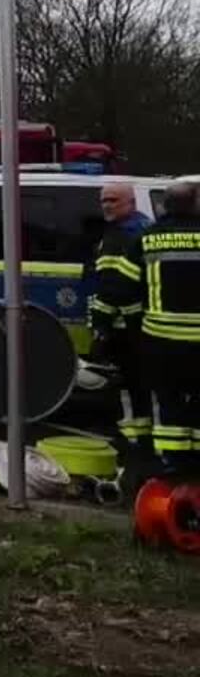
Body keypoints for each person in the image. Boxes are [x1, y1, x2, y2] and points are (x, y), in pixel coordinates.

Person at [119, 181, 200, 476]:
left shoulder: (146, 239)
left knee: (169, 401)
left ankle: (174, 464)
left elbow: (125, 289)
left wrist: (132, 329)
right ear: (195, 205)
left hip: (162, 342)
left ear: (165, 206)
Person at [85, 179, 154, 468]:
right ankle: (142, 444)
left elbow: (113, 287)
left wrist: (100, 325)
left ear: (130, 202)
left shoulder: (123, 235)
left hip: (125, 328)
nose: (107, 205)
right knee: (139, 389)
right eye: (104, 200)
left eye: (113, 200)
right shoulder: (143, 228)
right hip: (140, 326)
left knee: (130, 388)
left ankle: (136, 450)